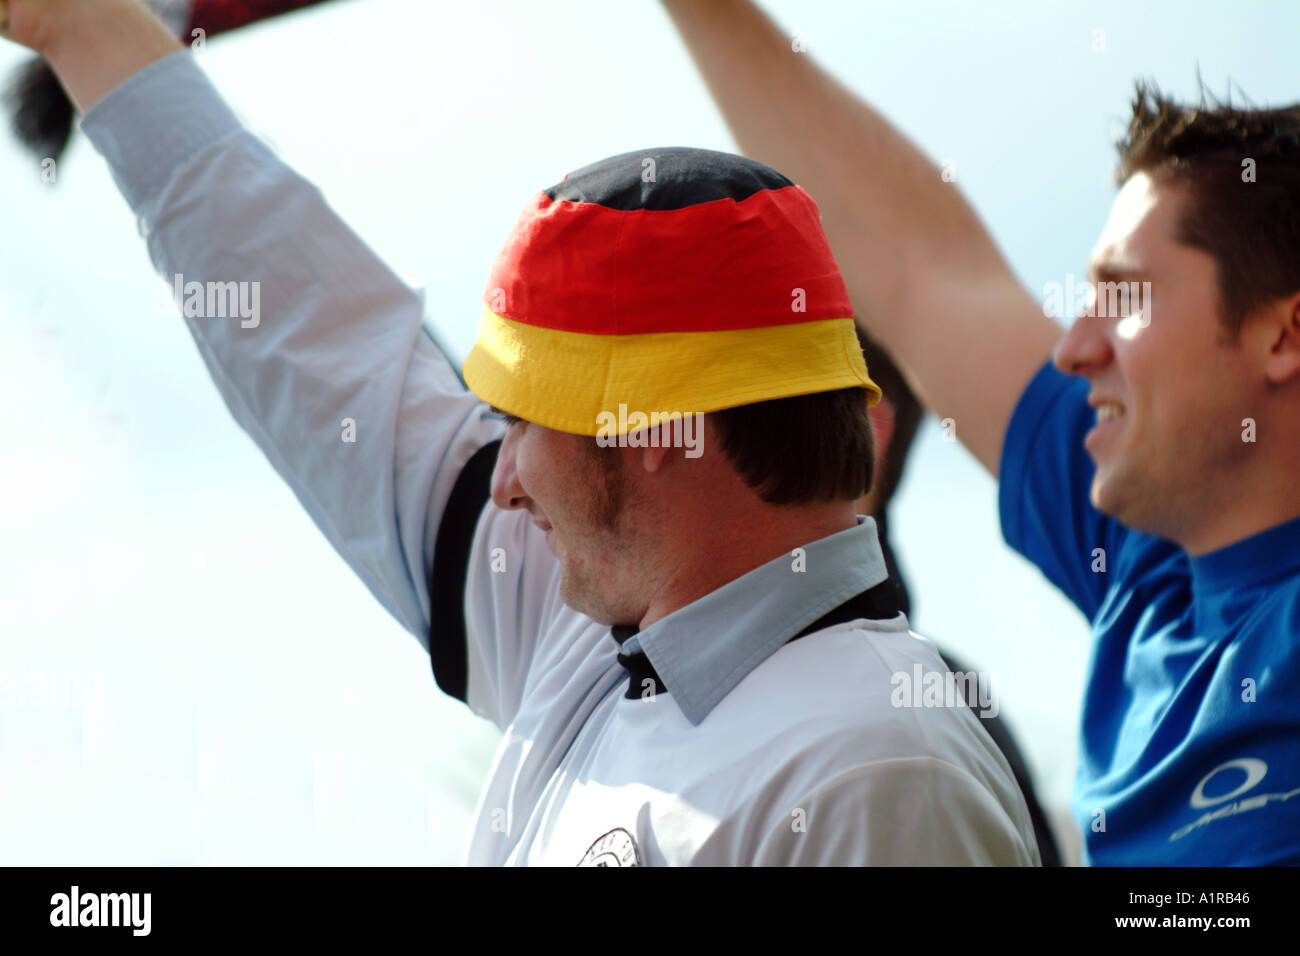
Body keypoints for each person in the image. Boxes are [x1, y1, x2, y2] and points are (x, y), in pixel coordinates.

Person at [3, 0, 1041, 865]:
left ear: (645, 430)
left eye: (518, 421)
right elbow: (321, 341)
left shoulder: (875, 771)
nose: (500, 479)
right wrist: (82, 28)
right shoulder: (597, 632)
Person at [660, 0, 1300, 864]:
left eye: (1126, 297)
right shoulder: (1143, 561)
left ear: (1283, 335)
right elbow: (920, 267)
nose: (1074, 348)